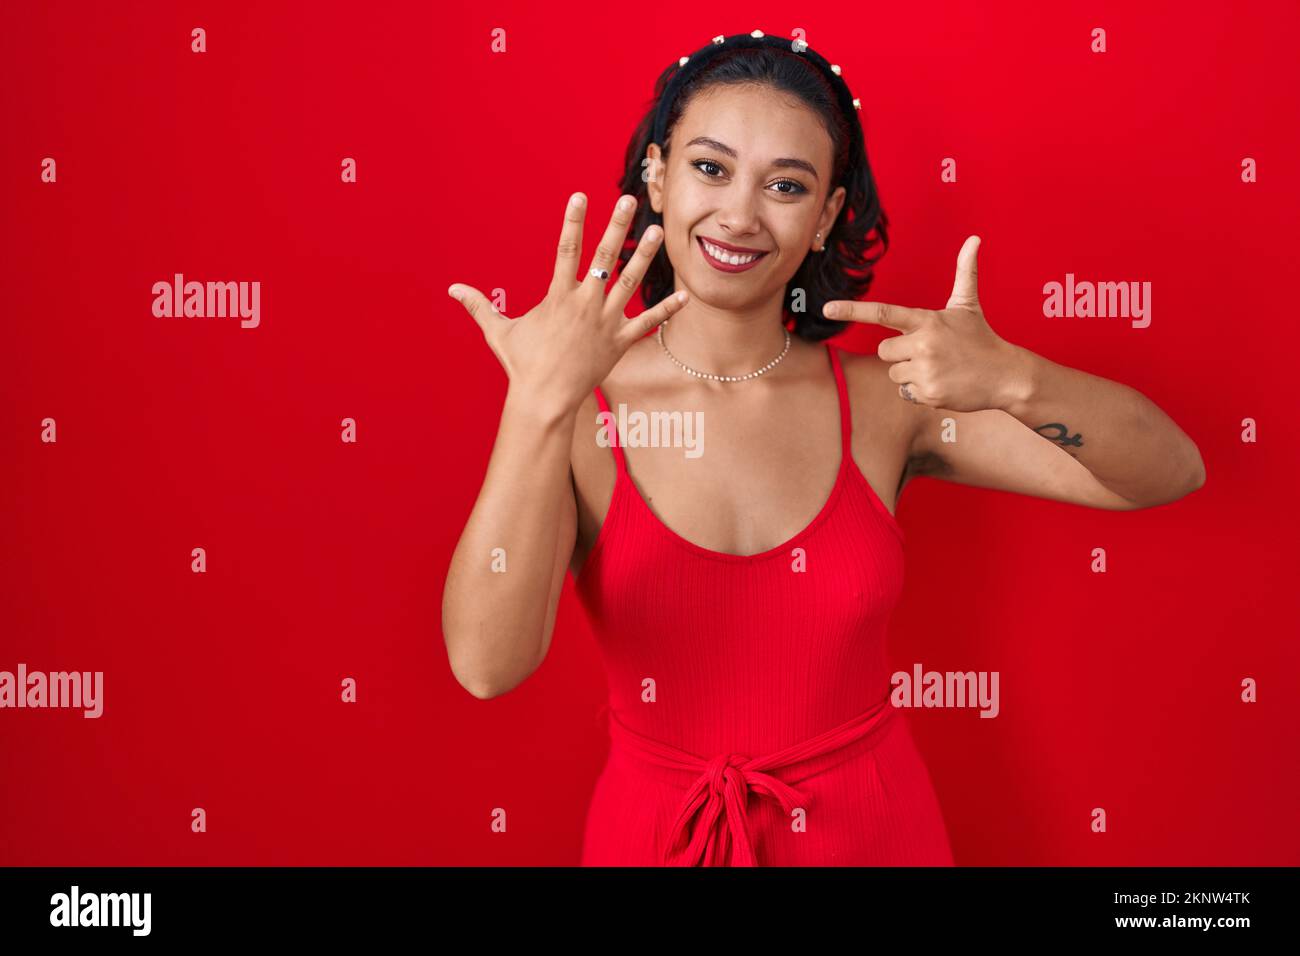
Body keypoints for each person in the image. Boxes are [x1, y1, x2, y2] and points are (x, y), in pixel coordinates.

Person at [442, 32, 1205, 866]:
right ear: (657, 177)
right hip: (655, 838)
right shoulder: (577, 405)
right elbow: (486, 667)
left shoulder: (886, 401)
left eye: (786, 185)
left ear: (826, 216)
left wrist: (1017, 378)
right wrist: (536, 404)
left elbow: (1168, 471)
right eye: (710, 168)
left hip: (873, 835)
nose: (740, 215)